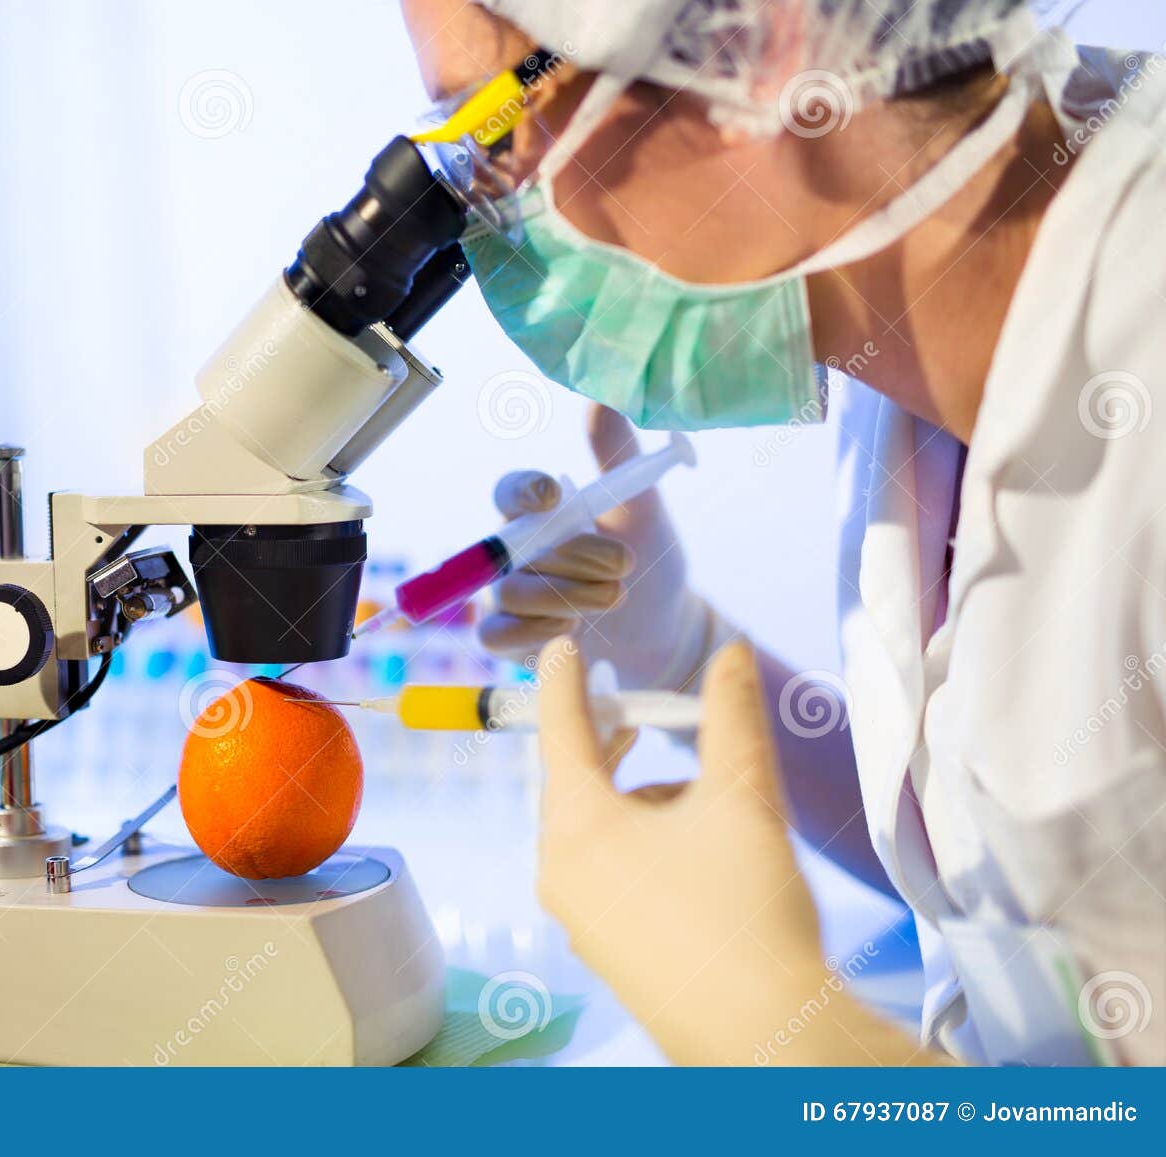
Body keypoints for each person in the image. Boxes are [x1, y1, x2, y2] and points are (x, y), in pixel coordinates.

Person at [401, 0, 1166, 1064]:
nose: (494, 203)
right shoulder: (910, 333)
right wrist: (686, 654)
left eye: (491, 128)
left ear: (766, 49)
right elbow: (1024, 858)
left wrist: (778, 1036)